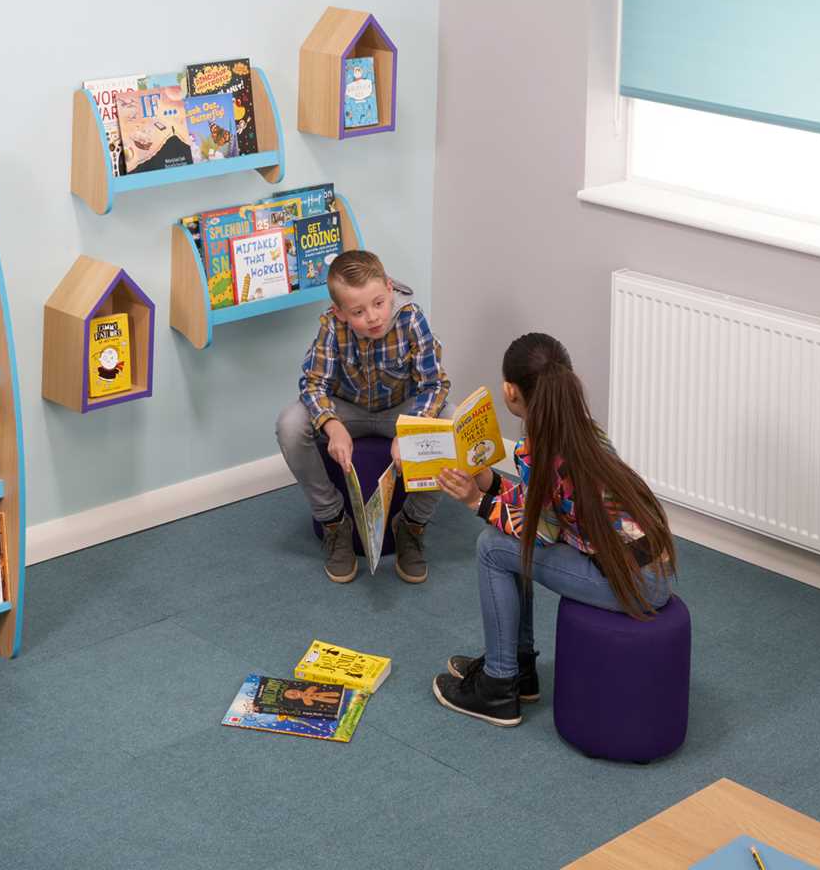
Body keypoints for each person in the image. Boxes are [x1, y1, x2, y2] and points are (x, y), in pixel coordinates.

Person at [433, 333, 676, 726]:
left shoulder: (540, 450)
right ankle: (519, 667)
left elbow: (540, 533)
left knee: (492, 547)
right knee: (505, 542)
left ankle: (499, 685)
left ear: (510, 391)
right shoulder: (582, 431)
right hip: (649, 570)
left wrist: (476, 502)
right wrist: (491, 484)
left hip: (631, 583)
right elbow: (548, 505)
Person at [276, 250, 451, 584]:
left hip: (399, 411)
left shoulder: (411, 319)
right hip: (349, 411)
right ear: (339, 312)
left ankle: (412, 523)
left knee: (450, 420)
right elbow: (312, 384)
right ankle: (333, 520)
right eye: (358, 312)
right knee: (290, 423)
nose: (372, 317)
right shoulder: (331, 327)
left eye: (379, 303)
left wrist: (411, 432)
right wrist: (332, 426)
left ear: (389, 288)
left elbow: (434, 384)